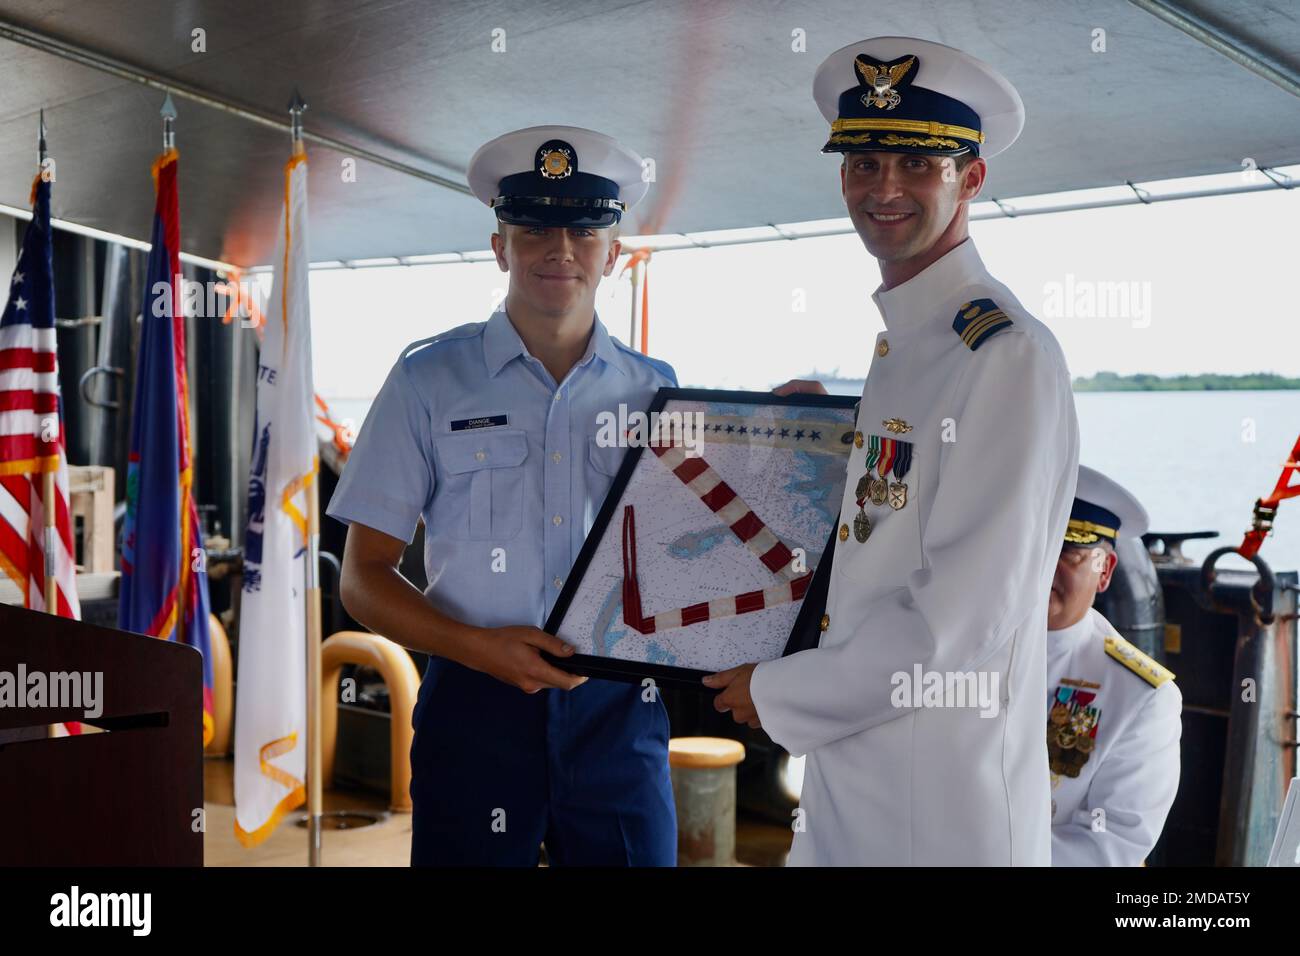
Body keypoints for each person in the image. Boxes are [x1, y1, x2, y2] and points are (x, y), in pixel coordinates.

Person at [704, 36, 1080, 865]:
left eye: (918, 165)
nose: (885, 189)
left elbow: (962, 617)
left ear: (971, 178)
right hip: (855, 783)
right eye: (864, 163)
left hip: (943, 810)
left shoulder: (1002, 355)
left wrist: (777, 689)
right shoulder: (908, 348)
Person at [327, 126, 678, 866]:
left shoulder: (659, 390)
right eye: (534, 226)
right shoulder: (427, 379)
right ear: (499, 245)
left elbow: (682, 561)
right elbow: (362, 577)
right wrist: (480, 650)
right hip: (473, 708)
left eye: (585, 228)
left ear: (612, 251)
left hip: (619, 709)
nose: (561, 247)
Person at [1047, 466, 1182, 866]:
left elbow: (1112, 846)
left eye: (1069, 550)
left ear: (1104, 572)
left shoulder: (1141, 696)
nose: (1044, 566)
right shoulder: (955, 649)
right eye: (1036, 546)